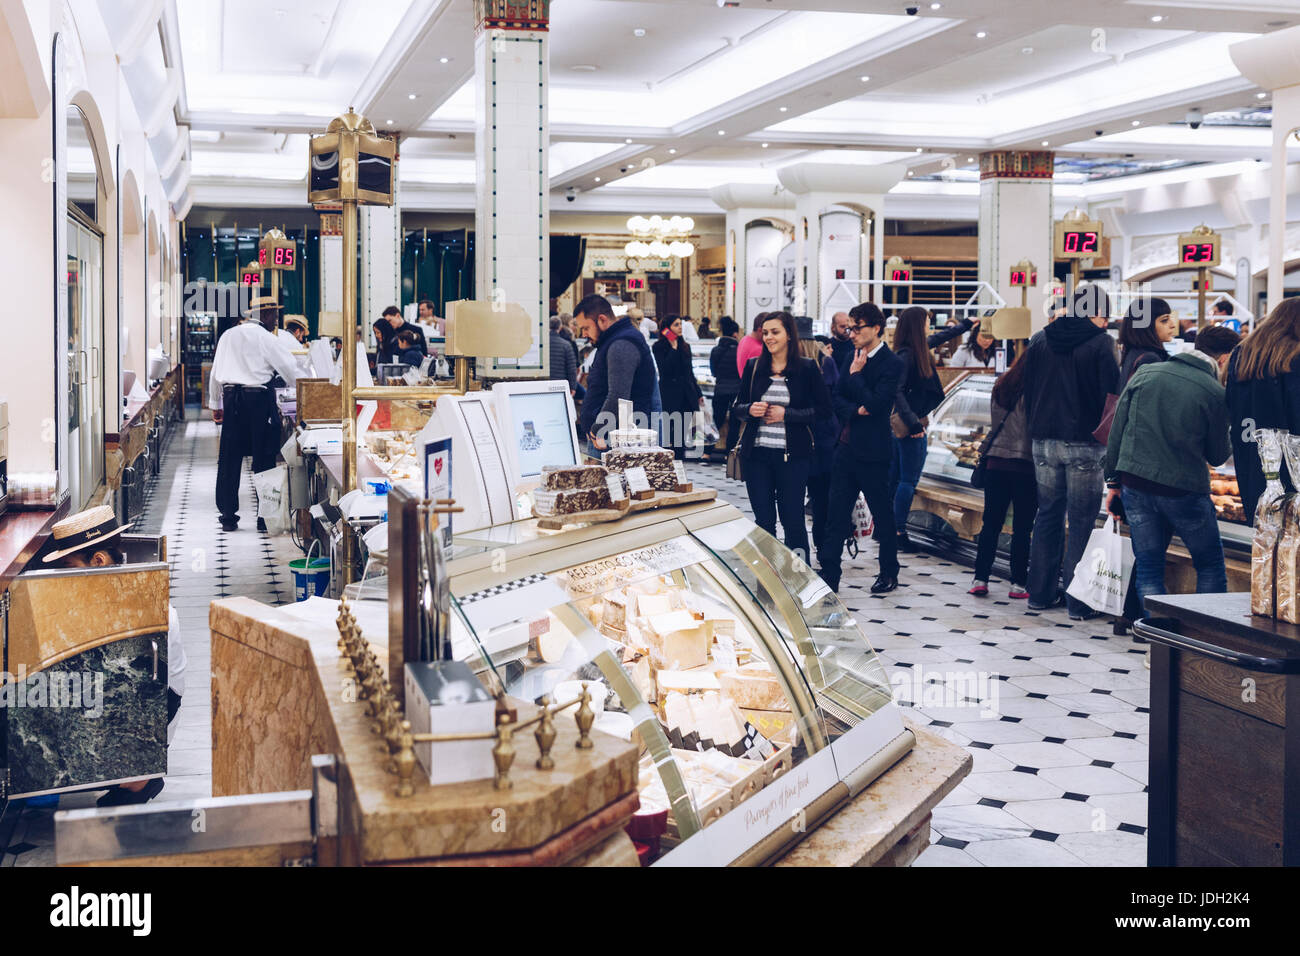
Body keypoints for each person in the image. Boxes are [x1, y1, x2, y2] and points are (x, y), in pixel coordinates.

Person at [40, 506, 187, 806]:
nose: (63, 578)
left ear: (98, 560)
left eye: (68, 567)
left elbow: (152, 699)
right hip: (146, 715)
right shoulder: (113, 594)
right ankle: (136, 776)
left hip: (153, 716)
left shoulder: (138, 614)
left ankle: (137, 778)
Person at [1104, 326, 1239, 614]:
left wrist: (1112, 482)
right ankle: (1203, 638)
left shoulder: (1147, 374)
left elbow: (1116, 431)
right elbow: (1217, 456)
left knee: (1149, 567)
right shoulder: (1215, 392)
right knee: (1209, 564)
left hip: (1135, 484)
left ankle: (1158, 639)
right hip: (1184, 490)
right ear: (1225, 358)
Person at [1022, 283, 1120, 618]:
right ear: (1093, 313)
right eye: (1103, 314)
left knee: (1047, 513)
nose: (1106, 322)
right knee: (1081, 520)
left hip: (1043, 441)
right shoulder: (1102, 344)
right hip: (1085, 444)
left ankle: (1039, 593)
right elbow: (1112, 397)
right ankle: (1077, 603)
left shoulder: (1039, 339)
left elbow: (1028, 389)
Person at [819, 302, 905, 594]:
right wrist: (857, 409)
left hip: (875, 452)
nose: (851, 333)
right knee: (836, 513)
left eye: (857, 328)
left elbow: (879, 404)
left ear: (876, 328)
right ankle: (830, 572)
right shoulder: (851, 355)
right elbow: (836, 398)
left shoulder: (892, 363)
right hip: (845, 447)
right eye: (850, 328)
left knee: (883, 515)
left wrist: (856, 377)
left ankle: (888, 573)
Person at [731, 312, 832, 563]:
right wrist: (749, 410)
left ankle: (799, 581)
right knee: (763, 523)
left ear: (789, 334)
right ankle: (768, 581)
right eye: (765, 332)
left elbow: (824, 411)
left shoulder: (807, 368)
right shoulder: (755, 367)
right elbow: (737, 406)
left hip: (793, 457)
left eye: (774, 332)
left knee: (793, 521)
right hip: (757, 456)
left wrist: (787, 414)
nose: (768, 337)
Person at [209, 297, 301, 533]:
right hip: (258, 399)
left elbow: (215, 372)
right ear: (267, 315)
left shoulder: (228, 335)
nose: (277, 321)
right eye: (275, 316)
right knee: (264, 458)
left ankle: (228, 517)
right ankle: (265, 518)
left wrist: (214, 403)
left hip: (231, 399)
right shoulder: (266, 338)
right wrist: (303, 391)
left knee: (229, 459)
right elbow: (290, 370)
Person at [890, 307, 973, 551]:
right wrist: (914, 422)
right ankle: (898, 532)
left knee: (896, 479)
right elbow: (897, 391)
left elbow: (941, 337)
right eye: (927, 322)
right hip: (911, 427)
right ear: (918, 325)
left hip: (903, 425)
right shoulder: (907, 355)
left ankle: (887, 529)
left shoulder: (914, 349)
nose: (929, 326)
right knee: (907, 481)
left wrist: (967, 324)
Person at [969, 349, 1036, 599]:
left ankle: (980, 578)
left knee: (991, 524)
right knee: (1022, 527)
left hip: (996, 463)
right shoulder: (1037, 389)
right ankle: (1018, 583)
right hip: (1025, 466)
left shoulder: (1001, 383)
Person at [1225, 298, 1300, 521]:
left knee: (1266, 542)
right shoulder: (1295, 360)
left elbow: (1231, 407)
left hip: (1252, 461)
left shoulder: (1243, 356)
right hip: (1292, 468)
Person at [574, 294, 659, 454]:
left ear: (602, 320)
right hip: (609, 436)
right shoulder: (615, 340)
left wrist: (597, 429)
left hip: (612, 439)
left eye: (586, 328)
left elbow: (618, 396)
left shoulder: (621, 344)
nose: (584, 334)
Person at [800, 337, 841, 570]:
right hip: (825, 441)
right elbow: (834, 403)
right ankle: (823, 552)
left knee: (795, 504)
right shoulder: (827, 363)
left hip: (802, 440)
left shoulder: (795, 366)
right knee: (821, 500)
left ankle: (802, 555)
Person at [653, 315, 704, 460]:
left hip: (686, 395)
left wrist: (698, 393)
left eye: (680, 324)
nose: (680, 327)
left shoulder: (685, 346)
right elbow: (665, 369)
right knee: (669, 434)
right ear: (666, 329)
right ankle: (667, 464)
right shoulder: (659, 347)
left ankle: (679, 464)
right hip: (669, 396)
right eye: (676, 325)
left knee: (681, 434)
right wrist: (673, 349)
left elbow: (689, 372)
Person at [1118, 297, 1175, 387]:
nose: (1173, 325)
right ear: (1147, 326)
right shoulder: (1149, 359)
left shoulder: (1132, 352)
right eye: (1164, 320)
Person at [710, 317, 742, 450]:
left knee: (716, 421)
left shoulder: (716, 350)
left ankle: (707, 451)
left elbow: (714, 372)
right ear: (735, 334)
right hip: (736, 391)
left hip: (720, 390)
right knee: (735, 423)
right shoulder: (740, 350)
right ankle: (729, 453)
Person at [549, 315, 578, 394]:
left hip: (545, 382)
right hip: (560, 384)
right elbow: (571, 368)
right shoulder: (566, 345)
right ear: (560, 327)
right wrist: (573, 387)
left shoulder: (542, 345)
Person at [736, 312, 768, 377]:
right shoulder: (758, 349)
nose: (769, 336)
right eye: (766, 332)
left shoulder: (744, 339)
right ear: (759, 330)